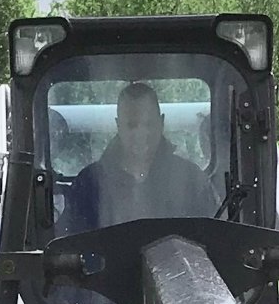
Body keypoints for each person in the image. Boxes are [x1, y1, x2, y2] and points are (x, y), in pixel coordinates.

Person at [60, 82, 216, 233]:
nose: (140, 134)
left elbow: (213, 239)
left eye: (148, 124)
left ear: (161, 123)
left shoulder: (191, 180)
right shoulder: (89, 184)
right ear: (118, 125)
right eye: (132, 125)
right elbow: (70, 247)